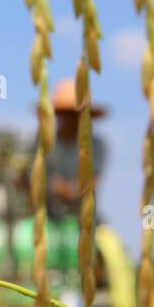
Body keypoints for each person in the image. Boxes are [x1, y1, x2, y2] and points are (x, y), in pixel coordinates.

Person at [44, 78, 108, 221]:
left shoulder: (95, 146)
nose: (72, 120)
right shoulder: (44, 142)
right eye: (67, 114)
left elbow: (91, 184)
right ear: (59, 116)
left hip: (83, 218)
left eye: (77, 114)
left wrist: (67, 190)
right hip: (48, 217)